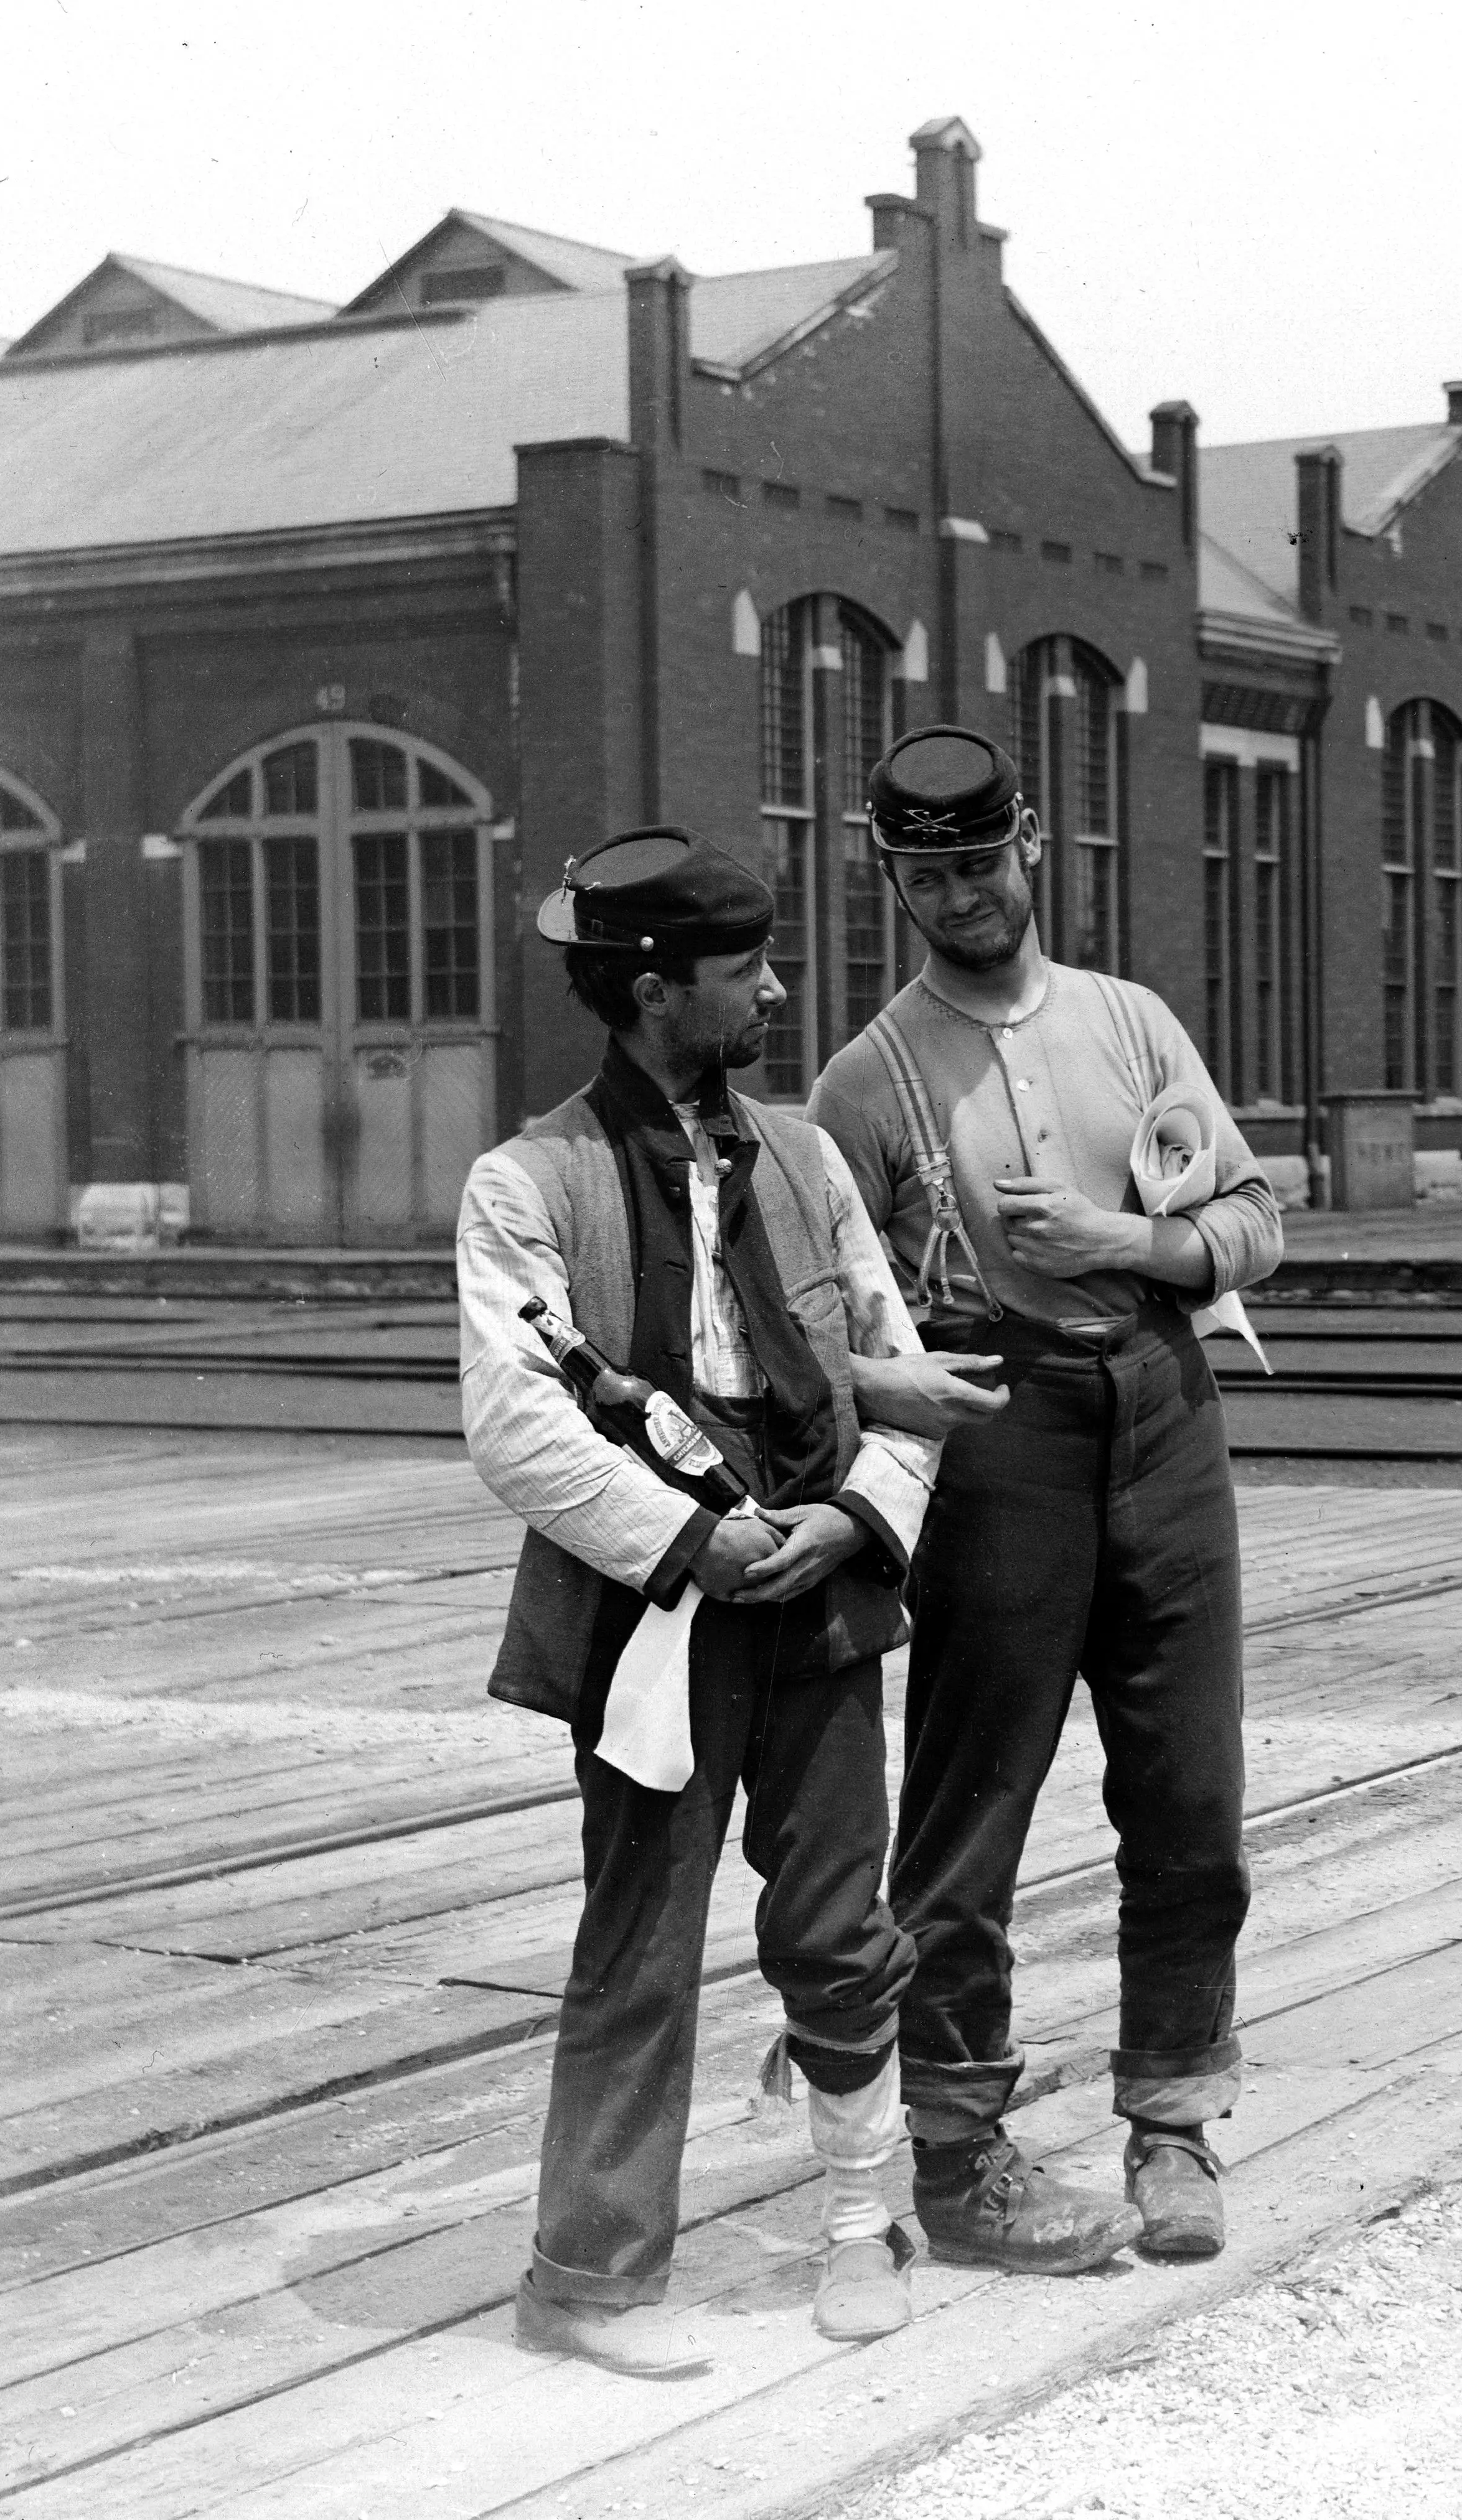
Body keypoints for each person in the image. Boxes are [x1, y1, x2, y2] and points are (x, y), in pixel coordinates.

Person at [456, 826, 1000, 2374]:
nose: (770, 989)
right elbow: (518, 1420)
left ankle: (860, 2226)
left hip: (818, 1608)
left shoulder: (809, 1162)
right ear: (647, 991)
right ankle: (588, 2285)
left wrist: (854, 1518)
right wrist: (688, 1545)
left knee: (839, 1928)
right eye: (739, 971)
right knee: (638, 1946)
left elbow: (895, 1374)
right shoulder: (526, 1184)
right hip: (652, 1634)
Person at [810, 724, 1284, 2273]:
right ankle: (957, 2151)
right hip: (996, 1438)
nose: (960, 899)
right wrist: (899, 1388)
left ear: (1033, 848)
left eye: (980, 864)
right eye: (925, 876)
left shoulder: (1131, 1024)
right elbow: (818, 1316)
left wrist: (1122, 1245)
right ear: (892, 880)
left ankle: (1172, 2119)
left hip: (1160, 1404)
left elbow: (1252, 1216)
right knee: (969, 1812)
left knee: (1189, 1790)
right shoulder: (865, 1081)